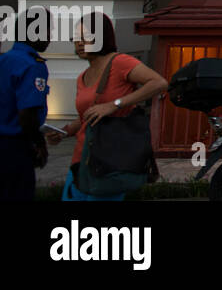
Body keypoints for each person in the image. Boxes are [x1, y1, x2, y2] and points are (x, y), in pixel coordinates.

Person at [48, 12, 167, 201]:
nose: (79, 43)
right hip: (81, 160)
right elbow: (87, 115)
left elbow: (159, 83)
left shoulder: (120, 62)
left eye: (85, 37)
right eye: (76, 38)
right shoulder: (83, 77)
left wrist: (115, 104)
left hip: (110, 160)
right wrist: (64, 131)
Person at [0, 7, 52, 201]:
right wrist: (39, 143)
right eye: (48, 29)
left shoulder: (4, 60)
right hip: (14, 148)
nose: (50, 36)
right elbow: (27, 113)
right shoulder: (32, 65)